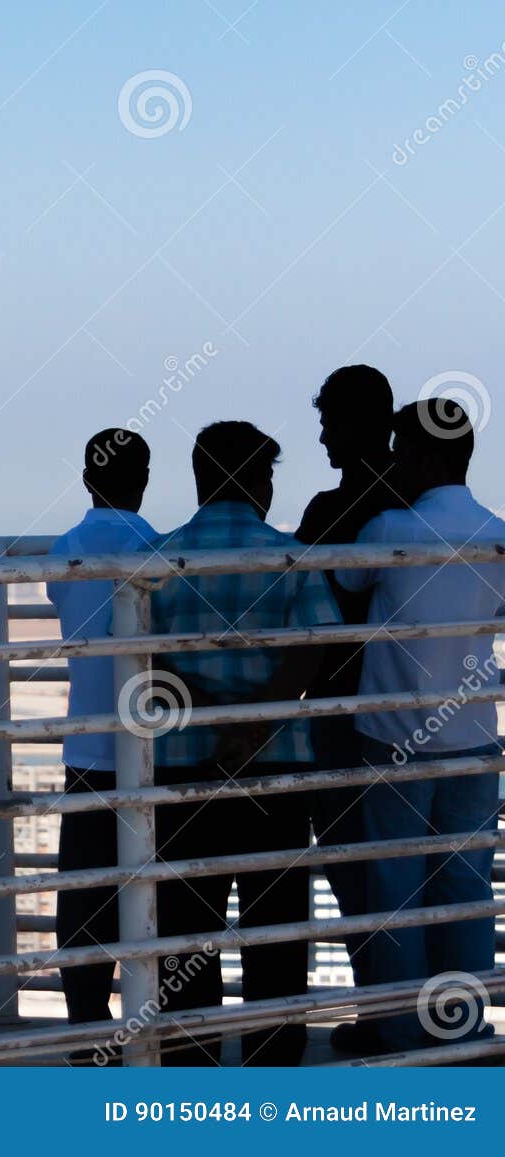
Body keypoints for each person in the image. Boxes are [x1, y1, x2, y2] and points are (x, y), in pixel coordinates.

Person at [146, 421, 342, 1065]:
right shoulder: (291, 559)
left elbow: (143, 662)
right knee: (277, 936)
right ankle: (271, 1075)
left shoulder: (156, 565)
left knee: (182, 938)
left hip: (183, 772)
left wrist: (213, 721)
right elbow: (313, 652)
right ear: (262, 482)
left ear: (201, 479)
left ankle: (189, 1077)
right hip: (276, 773)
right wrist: (256, 726)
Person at [334, 398, 504, 1055]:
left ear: (425, 456)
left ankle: (399, 1030)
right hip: (474, 738)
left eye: (402, 450)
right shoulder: (495, 531)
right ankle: (463, 1026)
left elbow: (347, 580)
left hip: (393, 739)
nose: (394, 462)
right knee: (464, 887)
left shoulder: (387, 530)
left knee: (395, 889)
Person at [292, 365, 400, 1050]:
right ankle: (429, 1014)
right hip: (415, 711)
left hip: (337, 711)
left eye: (331, 419)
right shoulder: (418, 505)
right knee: (418, 868)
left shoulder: (328, 514)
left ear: (362, 423)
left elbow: (293, 603)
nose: (325, 435)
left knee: (355, 872)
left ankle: (381, 1013)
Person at [45, 429, 157, 1042]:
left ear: (86, 478)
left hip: (86, 750)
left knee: (83, 902)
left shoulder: (66, 549)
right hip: (150, 750)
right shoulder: (160, 549)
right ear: (144, 479)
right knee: (148, 896)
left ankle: (88, 1030)